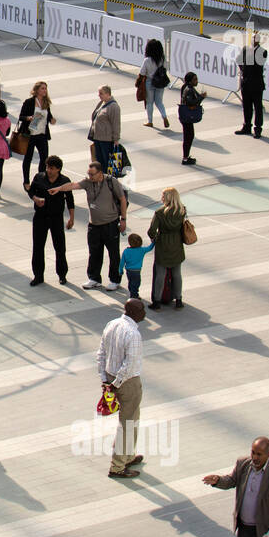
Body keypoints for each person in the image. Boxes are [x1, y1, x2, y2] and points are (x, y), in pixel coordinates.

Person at [49, 160, 128, 291]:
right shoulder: (88, 182)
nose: (90, 177)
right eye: (88, 174)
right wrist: (58, 189)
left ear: (100, 173)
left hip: (110, 223)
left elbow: (122, 199)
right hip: (94, 225)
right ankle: (94, 278)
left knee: (114, 253)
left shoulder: (111, 181)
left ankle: (115, 280)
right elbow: (73, 185)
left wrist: (123, 219)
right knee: (94, 252)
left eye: (92, 174)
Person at [97, 299, 146, 477]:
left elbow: (101, 353)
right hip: (127, 382)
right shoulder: (132, 334)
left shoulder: (112, 324)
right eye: (142, 310)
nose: (145, 313)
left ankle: (127, 456)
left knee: (131, 419)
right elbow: (129, 364)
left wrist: (105, 380)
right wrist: (117, 384)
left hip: (111, 377)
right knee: (127, 423)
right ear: (134, 313)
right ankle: (118, 466)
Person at [28, 155, 75, 286]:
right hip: (40, 217)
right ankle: (38, 276)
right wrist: (35, 199)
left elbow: (70, 200)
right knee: (38, 247)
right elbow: (31, 191)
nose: (49, 170)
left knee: (60, 247)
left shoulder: (65, 181)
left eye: (52, 168)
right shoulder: (39, 177)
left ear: (58, 169)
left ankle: (62, 274)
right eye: (48, 167)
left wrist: (71, 218)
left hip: (56, 218)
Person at [146, 186, 188, 310]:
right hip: (176, 244)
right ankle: (179, 300)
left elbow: (151, 231)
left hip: (163, 244)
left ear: (167, 197)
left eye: (163, 196)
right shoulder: (182, 211)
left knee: (160, 274)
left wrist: (154, 238)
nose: (161, 198)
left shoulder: (159, 212)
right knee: (177, 273)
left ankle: (157, 301)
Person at [17, 81, 54, 189]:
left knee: (44, 158)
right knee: (28, 158)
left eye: (45, 88)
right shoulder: (29, 102)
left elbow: (49, 115)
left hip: (41, 134)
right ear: (37, 90)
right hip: (30, 134)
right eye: (42, 88)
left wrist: (52, 119)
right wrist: (28, 118)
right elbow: (21, 116)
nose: (44, 90)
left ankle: (40, 179)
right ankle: (26, 181)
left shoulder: (46, 102)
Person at [235, 31, 267, 138]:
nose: (254, 40)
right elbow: (238, 59)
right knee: (246, 106)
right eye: (253, 38)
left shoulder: (262, 51)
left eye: (256, 38)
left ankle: (258, 129)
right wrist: (243, 70)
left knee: (258, 108)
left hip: (256, 85)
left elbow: (258, 64)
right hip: (246, 83)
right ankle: (247, 126)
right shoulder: (246, 49)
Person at [88, 86, 122, 175]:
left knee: (107, 162)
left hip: (106, 140)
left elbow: (116, 124)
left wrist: (116, 139)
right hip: (98, 138)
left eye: (101, 93)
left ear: (108, 94)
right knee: (99, 162)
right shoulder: (101, 103)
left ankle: (108, 180)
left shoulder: (114, 107)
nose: (99, 95)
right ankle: (101, 177)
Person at [140, 39, 170, 128]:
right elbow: (166, 68)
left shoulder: (147, 60)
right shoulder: (162, 59)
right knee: (159, 102)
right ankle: (164, 116)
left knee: (149, 102)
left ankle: (150, 121)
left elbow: (142, 73)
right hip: (160, 82)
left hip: (149, 82)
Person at [178, 71, 205, 165]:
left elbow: (196, 97)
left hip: (185, 115)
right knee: (188, 137)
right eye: (195, 79)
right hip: (187, 116)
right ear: (190, 81)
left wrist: (200, 96)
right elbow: (191, 102)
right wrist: (201, 97)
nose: (196, 81)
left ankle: (186, 157)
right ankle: (185, 158)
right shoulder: (189, 89)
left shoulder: (187, 87)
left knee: (189, 136)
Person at [121, 233, 155, 302]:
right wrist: (154, 242)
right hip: (136, 271)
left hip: (128, 270)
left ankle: (132, 293)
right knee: (136, 283)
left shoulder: (126, 251)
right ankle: (134, 296)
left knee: (131, 282)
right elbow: (150, 248)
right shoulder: (141, 250)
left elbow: (122, 261)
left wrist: (120, 269)